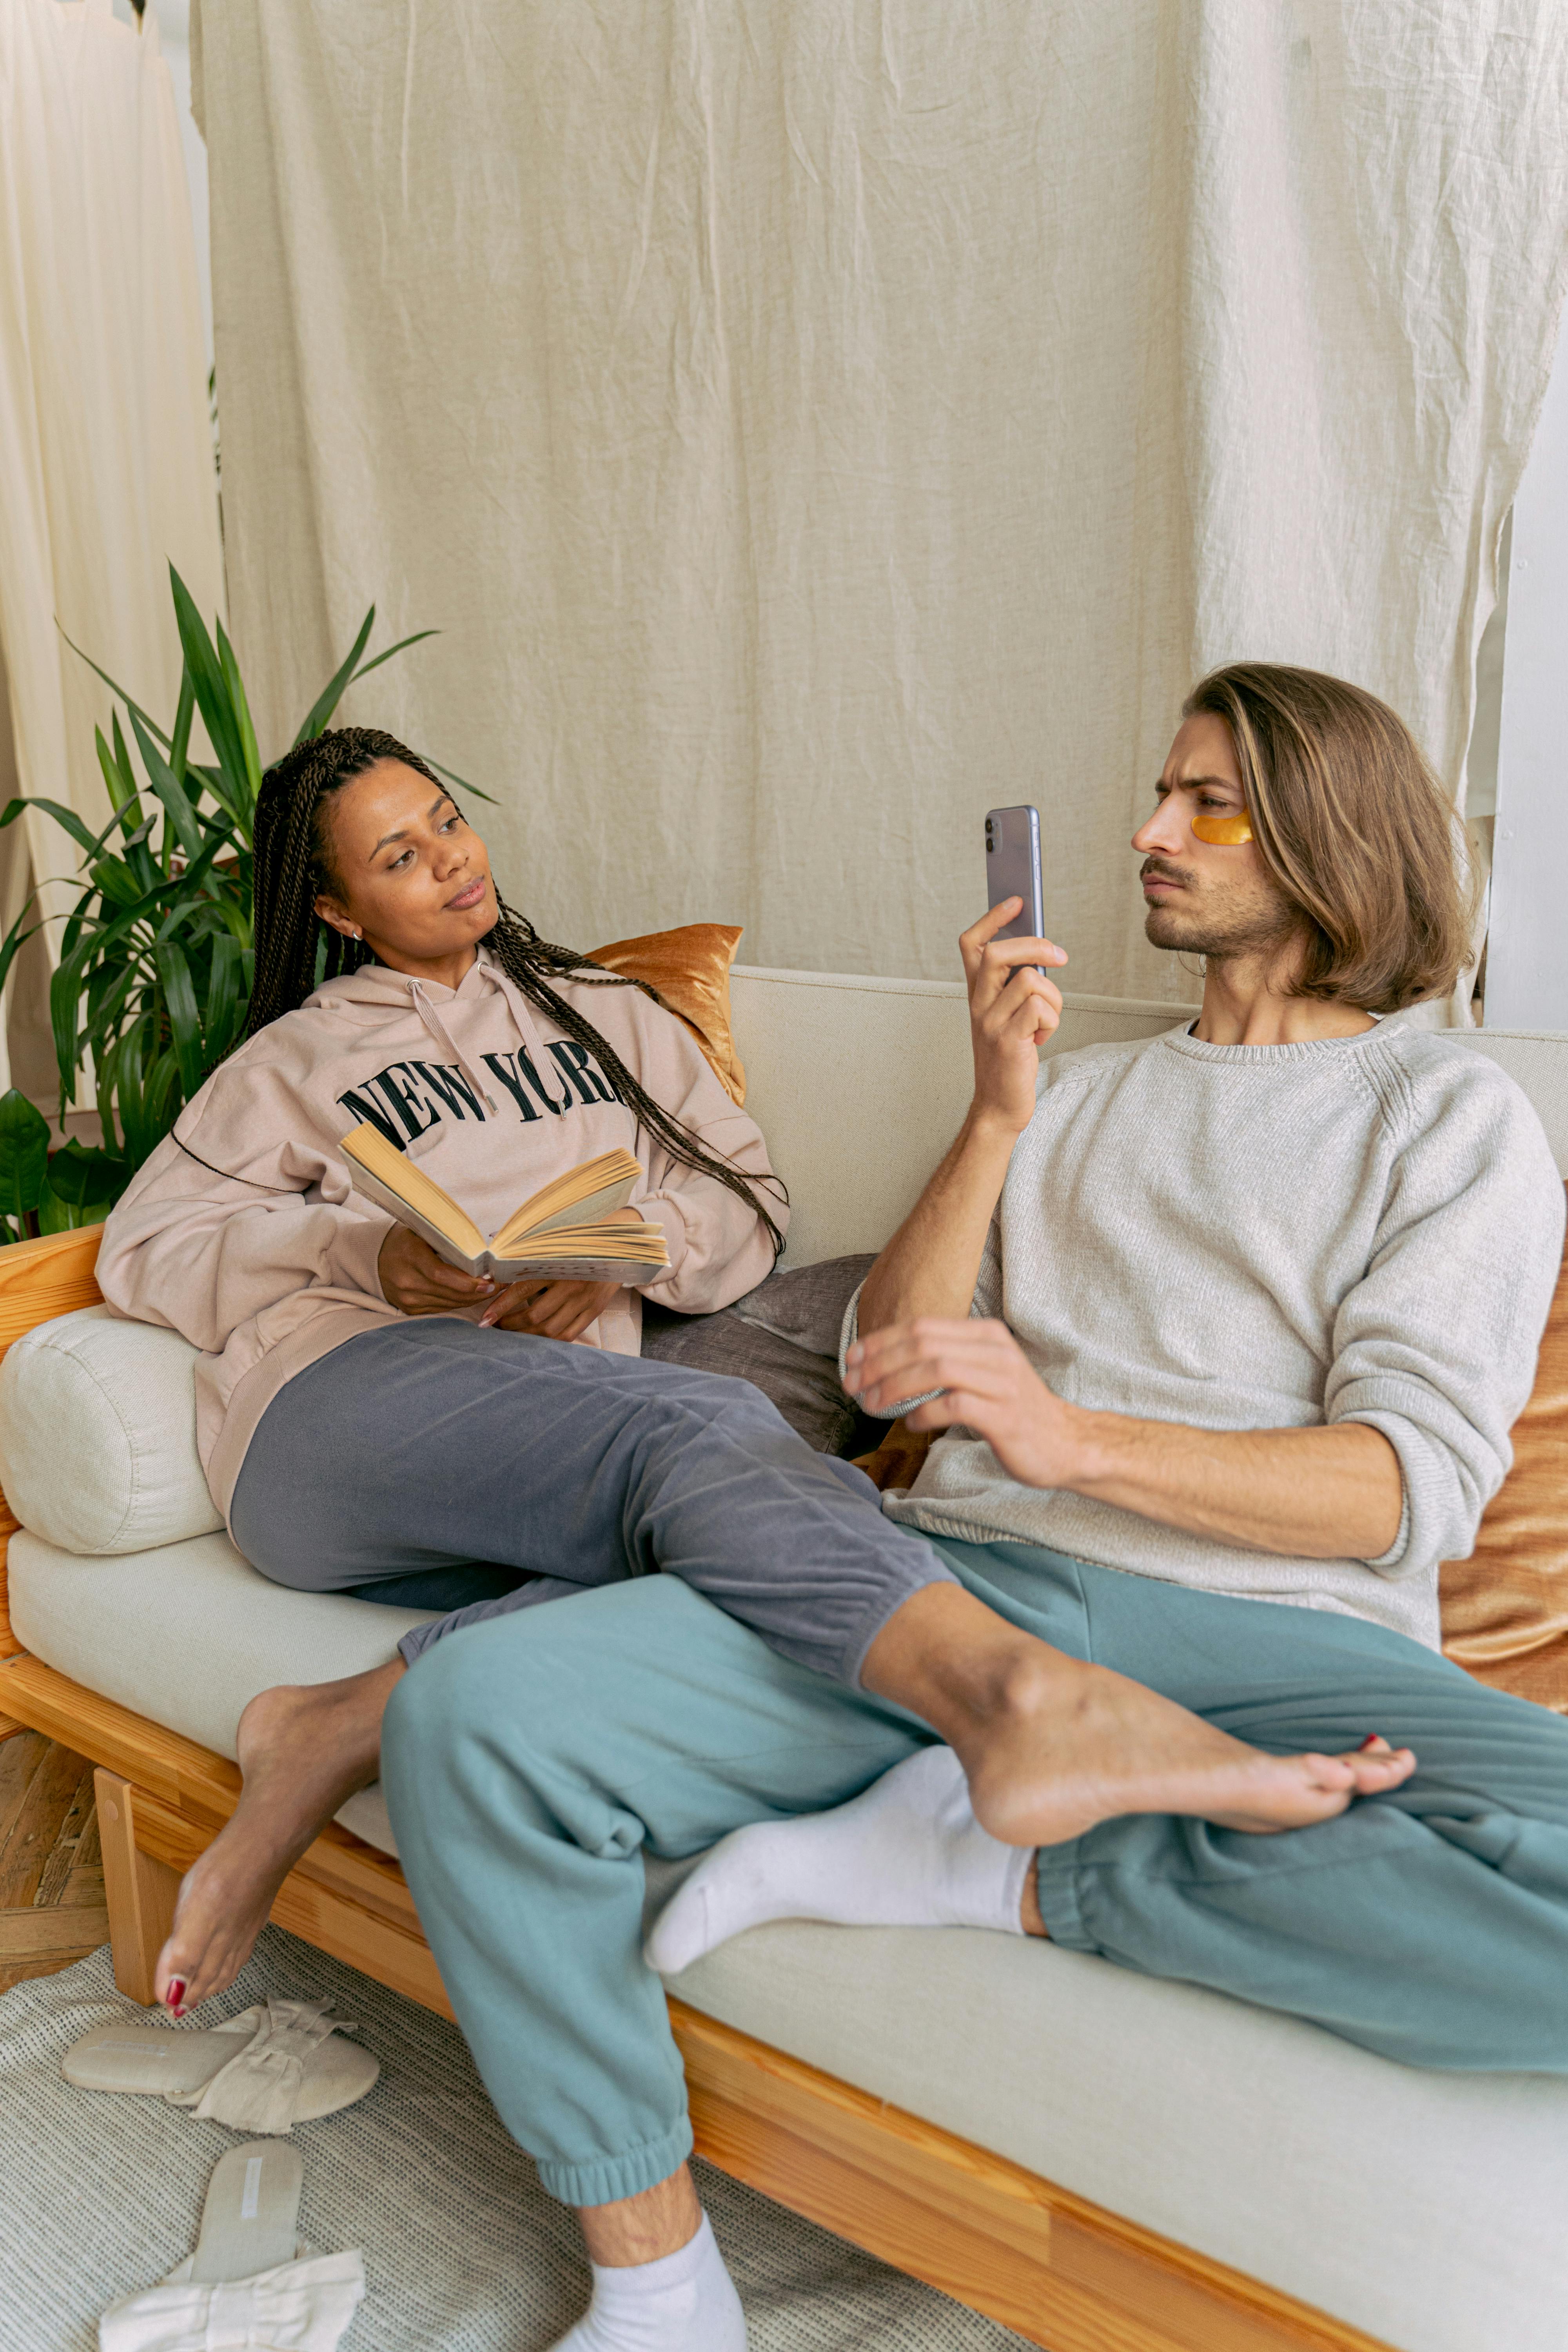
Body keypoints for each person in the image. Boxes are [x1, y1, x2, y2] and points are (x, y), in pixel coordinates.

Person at [103, 669, 1566, 2352]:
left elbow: (1404, 1492)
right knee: (478, 1720)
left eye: (1205, 805)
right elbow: (879, 1365)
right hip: (966, 1571)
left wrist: (1075, 1440)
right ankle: (657, 2290)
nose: (1149, 833)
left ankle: (999, 1862)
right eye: (1158, 793)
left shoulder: (1446, 1113)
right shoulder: (1075, 1092)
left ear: (1334, 836)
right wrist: (999, 1112)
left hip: (1290, 1636)